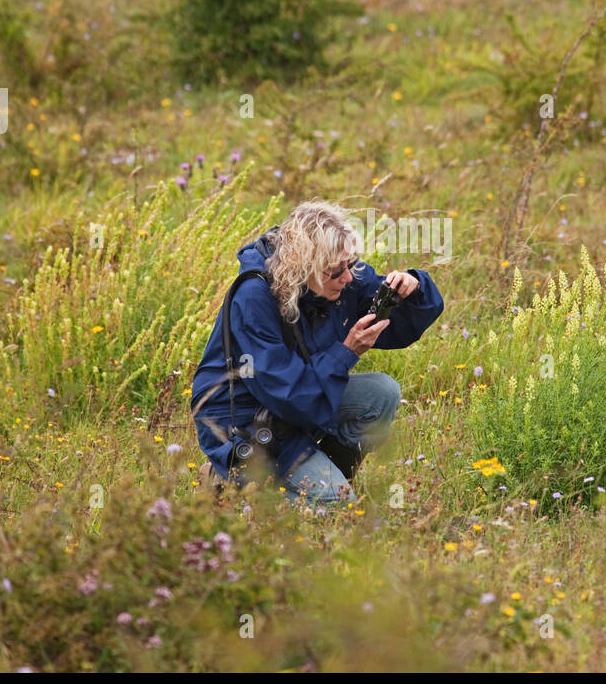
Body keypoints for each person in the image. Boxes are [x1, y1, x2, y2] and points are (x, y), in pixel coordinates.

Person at [190, 200, 444, 506]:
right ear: (304, 266)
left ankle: (325, 475)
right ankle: (228, 485)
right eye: (337, 271)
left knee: (381, 393)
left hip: (298, 401)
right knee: (339, 507)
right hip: (246, 422)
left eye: (351, 265)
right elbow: (287, 394)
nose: (348, 278)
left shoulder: (339, 273)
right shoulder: (254, 298)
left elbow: (395, 319)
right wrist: (346, 351)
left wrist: (413, 289)